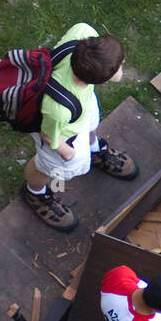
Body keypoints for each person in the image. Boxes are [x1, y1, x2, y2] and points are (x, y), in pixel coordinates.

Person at [21, 22, 136, 232]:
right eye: (118, 66)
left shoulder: (83, 32)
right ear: (103, 78)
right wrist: (66, 153)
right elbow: (48, 135)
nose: (122, 66)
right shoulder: (58, 110)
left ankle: (94, 150)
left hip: (80, 105)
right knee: (47, 166)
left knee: (91, 120)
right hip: (61, 135)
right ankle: (34, 192)